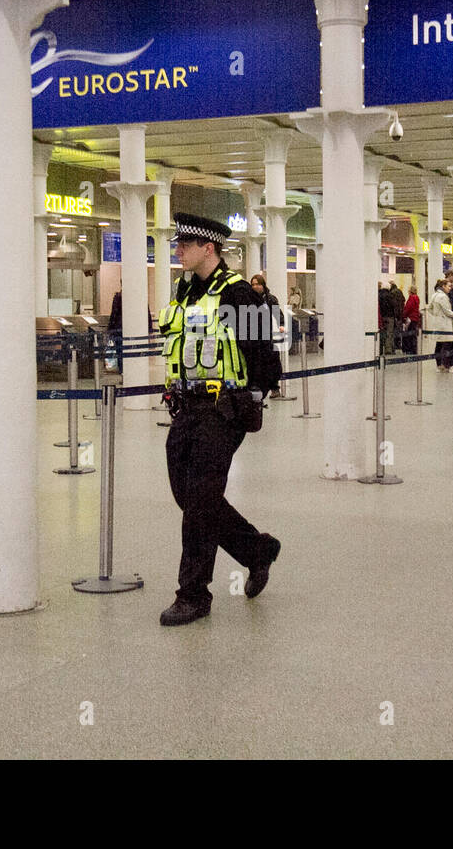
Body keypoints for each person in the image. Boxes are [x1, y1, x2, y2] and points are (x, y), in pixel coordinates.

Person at [157, 213, 282, 627]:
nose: (178, 250)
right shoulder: (185, 292)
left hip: (223, 410)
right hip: (187, 407)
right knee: (189, 494)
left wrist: (253, 399)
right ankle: (256, 550)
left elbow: (266, 354)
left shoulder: (238, 294)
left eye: (185, 245)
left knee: (199, 500)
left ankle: (193, 594)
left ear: (208, 248)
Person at [426, 279, 453, 371]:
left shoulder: (434, 295)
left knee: (439, 345)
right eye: (449, 286)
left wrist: (436, 315)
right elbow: (447, 311)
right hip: (445, 324)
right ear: (443, 286)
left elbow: (429, 308)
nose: (450, 288)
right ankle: (449, 366)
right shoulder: (443, 297)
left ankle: (439, 365)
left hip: (437, 323)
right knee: (449, 345)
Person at [401, 283, 422, 355]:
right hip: (415, 318)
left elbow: (408, 308)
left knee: (409, 335)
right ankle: (414, 349)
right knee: (413, 335)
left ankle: (410, 349)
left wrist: (403, 315)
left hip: (411, 318)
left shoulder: (411, 298)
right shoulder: (417, 297)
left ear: (410, 291)